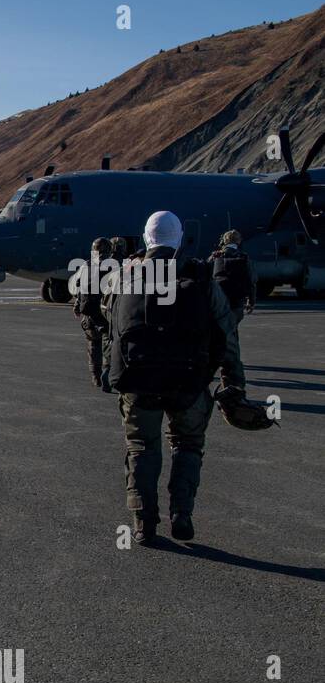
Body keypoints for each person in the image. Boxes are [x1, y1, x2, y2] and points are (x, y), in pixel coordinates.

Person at [106, 211, 245, 545]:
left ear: (146, 238)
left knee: (142, 447)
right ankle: (182, 514)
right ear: (179, 238)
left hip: (140, 382)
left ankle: (143, 523)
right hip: (189, 382)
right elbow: (227, 332)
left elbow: (110, 318)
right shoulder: (200, 277)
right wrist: (233, 382)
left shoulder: (126, 276)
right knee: (188, 445)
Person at [74, 237, 113, 389]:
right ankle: (107, 373)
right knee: (108, 344)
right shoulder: (112, 266)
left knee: (93, 345)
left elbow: (78, 288)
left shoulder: (86, 266)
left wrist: (77, 306)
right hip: (105, 313)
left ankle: (95, 376)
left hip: (89, 313)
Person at [208, 229, 256, 323]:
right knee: (233, 328)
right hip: (236, 301)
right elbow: (251, 281)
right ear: (239, 241)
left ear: (223, 241)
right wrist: (251, 302)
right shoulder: (244, 257)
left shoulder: (215, 256)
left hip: (218, 299)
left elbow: (206, 277)